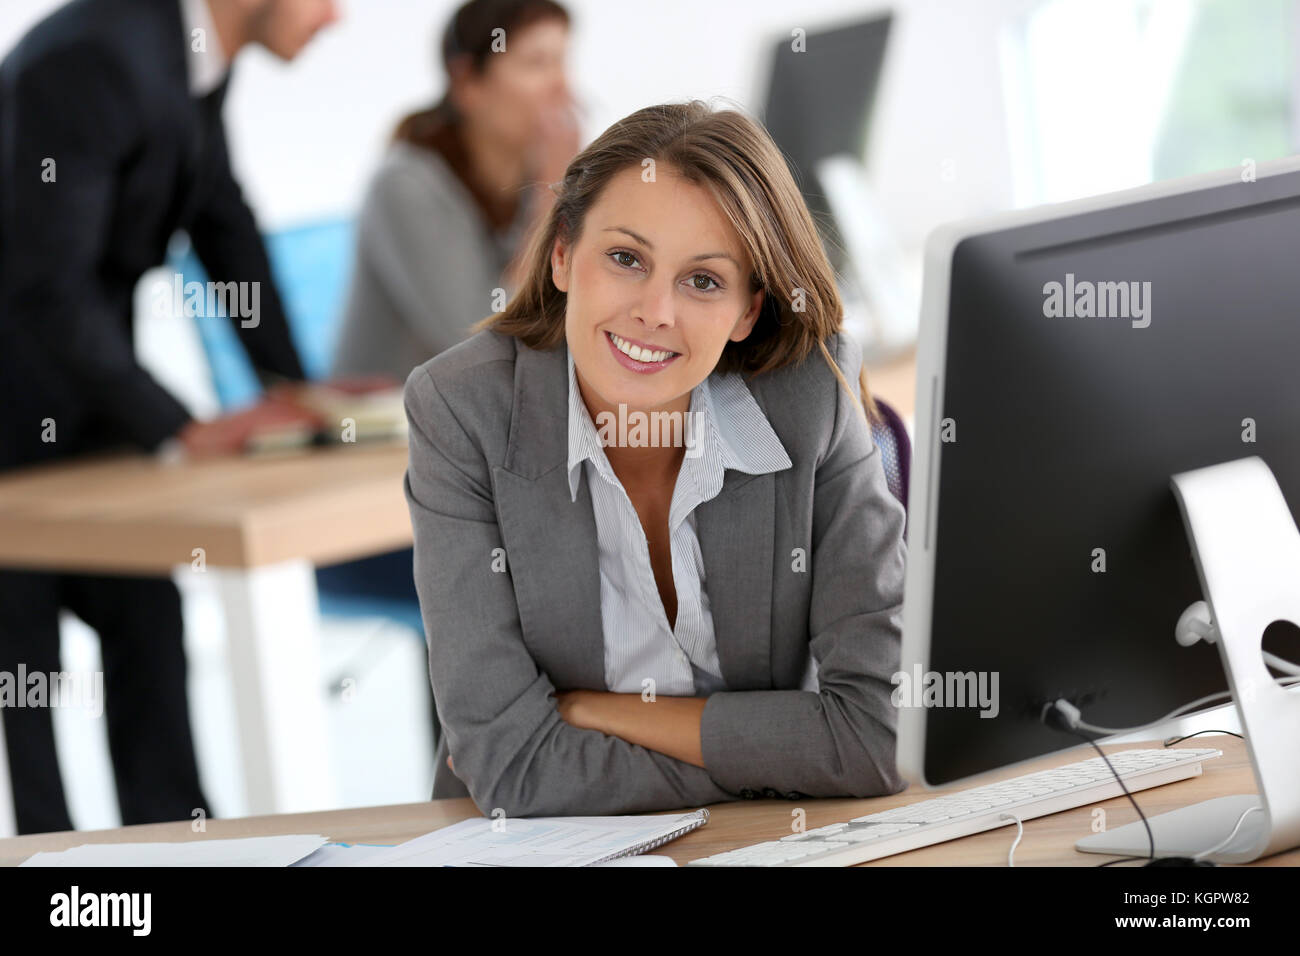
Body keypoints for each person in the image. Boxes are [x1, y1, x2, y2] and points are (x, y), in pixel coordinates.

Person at [402, 100, 909, 817]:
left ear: (747, 312)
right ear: (561, 257)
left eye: (702, 280)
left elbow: (880, 732)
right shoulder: (463, 409)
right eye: (625, 258)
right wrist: (792, 760)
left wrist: (592, 712)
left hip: (776, 847)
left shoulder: (807, 399)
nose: (655, 311)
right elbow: (512, 766)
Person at [0, 0, 338, 834]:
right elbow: (45, 283)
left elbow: (222, 220)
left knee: (148, 621)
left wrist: (297, 391)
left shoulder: (190, 59)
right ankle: (55, 879)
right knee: (27, 676)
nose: (336, 17)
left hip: (88, 412)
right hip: (13, 429)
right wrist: (178, 425)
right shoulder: (93, 59)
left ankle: (180, 849)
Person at [331, 0, 579, 384]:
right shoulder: (404, 185)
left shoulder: (532, 180)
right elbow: (484, 340)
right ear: (467, 82)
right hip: (382, 431)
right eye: (536, 63)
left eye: (562, 62)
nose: (562, 87)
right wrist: (553, 197)